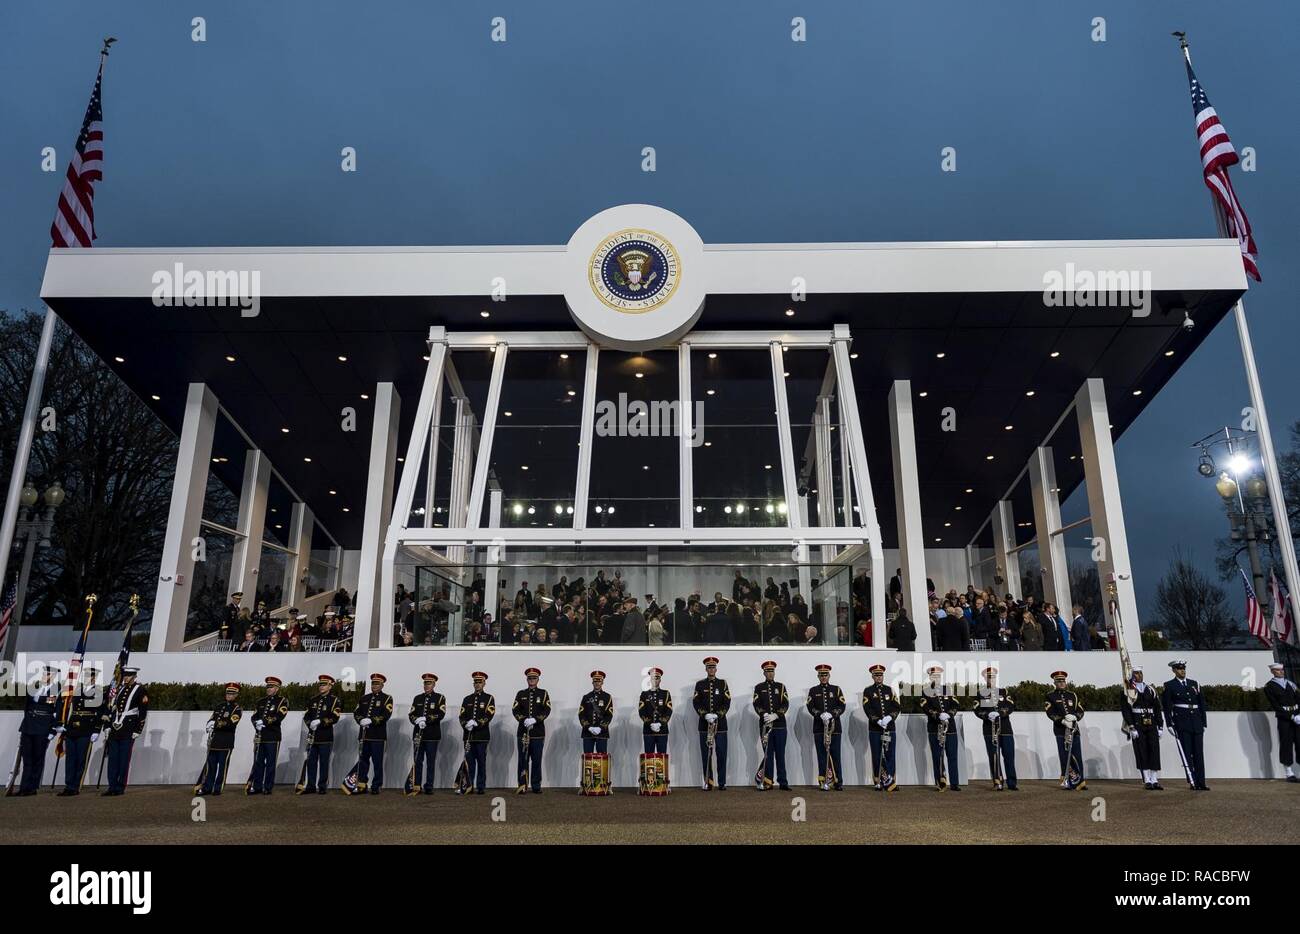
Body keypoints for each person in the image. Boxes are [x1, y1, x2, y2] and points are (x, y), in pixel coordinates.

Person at [1162, 659, 1209, 790]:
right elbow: (1167, 706)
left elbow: (1201, 704)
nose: (1182, 671)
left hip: (1196, 722)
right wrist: (1169, 724)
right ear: (1174, 670)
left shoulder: (1194, 684)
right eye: (1179, 669)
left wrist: (1204, 722)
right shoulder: (1169, 685)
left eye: (1183, 668)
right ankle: (1192, 781)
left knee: (1199, 754)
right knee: (1187, 753)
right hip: (1182, 723)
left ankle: (1202, 782)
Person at [11, 665, 58, 796]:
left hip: (42, 728)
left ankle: (32, 787)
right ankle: (24, 787)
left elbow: (54, 709)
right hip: (28, 727)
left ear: (53, 676)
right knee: (27, 759)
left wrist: (52, 731)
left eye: (47, 674)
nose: (44, 676)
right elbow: (27, 706)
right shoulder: (35, 688)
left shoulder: (55, 690)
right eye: (43, 674)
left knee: (38, 758)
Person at [102, 667, 147, 796]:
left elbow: (142, 711)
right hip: (115, 728)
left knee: (123, 760)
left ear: (134, 677)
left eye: (128, 676)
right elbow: (110, 708)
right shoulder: (118, 689)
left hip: (128, 728)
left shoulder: (140, 690)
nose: (125, 678)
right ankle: (111, 786)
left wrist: (138, 729)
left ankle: (119, 787)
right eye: (125, 676)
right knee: (113, 759)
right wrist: (107, 726)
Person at [58, 667, 103, 796]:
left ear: (94, 678)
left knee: (80, 759)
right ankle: (68, 785)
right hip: (72, 728)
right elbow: (69, 708)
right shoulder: (77, 690)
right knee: (70, 759)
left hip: (86, 728)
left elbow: (99, 712)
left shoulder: (98, 692)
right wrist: (64, 724)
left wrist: (96, 730)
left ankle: (75, 786)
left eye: (89, 676)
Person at [973, 666, 1017, 791]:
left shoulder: (1004, 692)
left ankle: (1012, 782)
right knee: (994, 756)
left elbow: (1011, 706)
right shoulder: (981, 694)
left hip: (1006, 729)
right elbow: (977, 710)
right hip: (989, 729)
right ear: (984, 678)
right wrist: (987, 715)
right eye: (988, 677)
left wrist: (1001, 713)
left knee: (1009, 755)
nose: (991, 679)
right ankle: (998, 781)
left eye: (993, 676)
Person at [1121, 665, 1164, 790]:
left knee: (1154, 749)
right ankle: (1147, 779)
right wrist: (1131, 726)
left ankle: (1154, 779)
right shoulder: (1128, 690)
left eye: (1140, 673)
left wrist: (1160, 726)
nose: (1139, 675)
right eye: (1136, 673)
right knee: (1142, 750)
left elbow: (1157, 708)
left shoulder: (1151, 689)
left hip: (1151, 722)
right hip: (1138, 722)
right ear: (1132, 676)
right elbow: (1126, 710)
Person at [919, 665, 961, 791]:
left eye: (938, 676)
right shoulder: (925, 691)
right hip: (935, 728)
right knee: (937, 756)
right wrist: (937, 715)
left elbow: (955, 703)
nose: (936, 678)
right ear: (930, 677)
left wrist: (950, 714)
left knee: (952, 755)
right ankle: (940, 782)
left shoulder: (947, 689)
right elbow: (924, 706)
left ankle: (954, 783)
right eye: (933, 676)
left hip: (950, 727)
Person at [806, 664, 846, 791]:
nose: (823, 677)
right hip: (819, 728)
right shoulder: (813, 690)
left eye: (825, 674)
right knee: (822, 756)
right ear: (818, 676)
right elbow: (810, 706)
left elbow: (842, 705)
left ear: (829, 675)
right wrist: (819, 714)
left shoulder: (836, 689)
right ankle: (824, 781)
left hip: (835, 729)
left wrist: (833, 714)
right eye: (821, 675)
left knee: (836, 756)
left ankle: (838, 781)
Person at [352, 673, 394, 794]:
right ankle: (361, 784)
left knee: (377, 762)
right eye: (373, 683)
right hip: (364, 735)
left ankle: (376, 785)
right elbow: (357, 712)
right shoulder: (364, 698)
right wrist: (360, 720)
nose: (374, 685)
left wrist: (371, 720)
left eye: (377, 684)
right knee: (363, 761)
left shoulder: (387, 698)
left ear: (382, 685)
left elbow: (386, 715)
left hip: (377, 736)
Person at [693, 656, 731, 790]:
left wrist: (717, 715)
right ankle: (708, 781)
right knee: (706, 754)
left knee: (721, 753)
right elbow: (696, 703)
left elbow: (727, 702)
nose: (711, 669)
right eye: (709, 667)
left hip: (720, 725)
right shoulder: (700, 685)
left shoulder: (723, 684)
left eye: (713, 667)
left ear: (716, 669)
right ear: (706, 669)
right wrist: (705, 715)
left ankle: (722, 782)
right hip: (704, 725)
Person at [198, 682, 242, 796]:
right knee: (211, 766)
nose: (228, 695)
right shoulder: (219, 706)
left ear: (236, 695)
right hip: (215, 741)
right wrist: (208, 724)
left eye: (231, 693)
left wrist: (215, 724)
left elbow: (231, 723)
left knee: (222, 767)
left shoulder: (237, 709)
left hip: (226, 742)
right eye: (227, 693)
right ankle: (207, 787)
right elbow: (212, 718)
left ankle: (217, 788)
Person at [511, 667, 550, 794]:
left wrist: (536, 720)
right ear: (526, 679)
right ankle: (522, 784)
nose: (531, 680)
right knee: (523, 759)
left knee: (537, 760)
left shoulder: (543, 693)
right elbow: (515, 710)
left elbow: (547, 710)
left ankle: (536, 785)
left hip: (538, 733)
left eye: (534, 678)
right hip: (523, 732)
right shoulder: (520, 694)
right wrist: (523, 720)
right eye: (529, 678)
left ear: (538, 679)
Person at [1045, 670, 1086, 790]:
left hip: (1074, 730)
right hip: (1060, 730)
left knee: (1077, 755)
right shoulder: (1050, 696)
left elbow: (1080, 710)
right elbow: (1050, 712)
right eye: (1059, 681)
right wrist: (1061, 720)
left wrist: (1075, 717)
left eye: (1063, 681)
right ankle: (1069, 780)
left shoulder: (1072, 695)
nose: (1062, 683)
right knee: (1064, 756)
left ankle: (1080, 781)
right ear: (1054, 683)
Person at [752, 661, 789, 791]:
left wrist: (777, 715)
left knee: (780, 754)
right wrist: (763, 714)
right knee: (768, 754)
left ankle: (783, 781)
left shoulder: (781, 686)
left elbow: (785, 703)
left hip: (780, 726)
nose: (770, 673)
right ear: (764, 673)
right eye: (767, 671)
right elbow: (756, 704)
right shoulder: (758, 687)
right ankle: (768, 781)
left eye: (772, 671)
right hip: (765, 726)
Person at [862, 664, 900, 792]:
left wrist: (890, 717)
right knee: (877, 754)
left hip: (889, 727)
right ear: (872, 676)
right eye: (876, 675)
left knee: (890, 754)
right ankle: (878, 781)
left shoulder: (890, 690)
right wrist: (877, 720)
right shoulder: (868, 691)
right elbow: (867, 708)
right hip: (875, 728)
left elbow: (896, 706)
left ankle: (890, 781)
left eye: (880, 675)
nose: (879, 677)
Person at [301, 674, 341, 795]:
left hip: (325, 736)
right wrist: (310, 724)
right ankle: (311, 785)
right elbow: (307, 715)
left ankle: (322, 785)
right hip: (313, 737)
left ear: (330, 686)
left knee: (324, 762)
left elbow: (335, 717)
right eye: (320, 684)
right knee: (311, 762)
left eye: (324, 684)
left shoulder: (335, 700)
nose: (321, 687)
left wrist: (321, 722)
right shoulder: (313, 699)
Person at [250, 676, 289, 795]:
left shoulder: (282, 701)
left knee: (271, 763)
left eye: (271, 686)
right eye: (267, 686)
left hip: (273, 736)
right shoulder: (260, 701)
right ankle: (257, 786)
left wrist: (265, 722)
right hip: (260, 736)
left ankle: (267, 787)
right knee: (259, 762)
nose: (268, 688)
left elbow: (279, 716)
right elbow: (254, 716)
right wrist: (256, 723)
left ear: (277, 688)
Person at [409, 673, 446, 795]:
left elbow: (440, 714)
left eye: (429, 683)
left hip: (432, 735)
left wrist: (426, 719)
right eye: (425, 683)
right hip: (418, 735)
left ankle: (429, 786)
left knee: (430, 761)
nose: (426, 685)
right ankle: (417, 785)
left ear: (434, 684)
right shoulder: (417, 698)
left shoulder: (440, 698)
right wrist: (416, 720)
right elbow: (411, 714)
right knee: (418, 761)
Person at [459, 672, 495, 795]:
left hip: (481, 736)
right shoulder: (467, 699)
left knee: (481, 762)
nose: (477, 684)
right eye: (476, 682)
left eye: (480, 682)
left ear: (484, 683)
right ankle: (469, 785)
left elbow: (489, 714)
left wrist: (477, 723)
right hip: (468, 736)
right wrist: (465, 724)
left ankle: (480, 786)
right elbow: (462, 716)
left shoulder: (489, 698)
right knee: (469, 762)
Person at [1264, 662, 1300, 782]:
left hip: (1297, 716)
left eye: (1282, 670)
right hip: (1284, 719)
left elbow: (1298, 699)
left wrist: (1298, 714)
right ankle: (1289, 773)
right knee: (1286, 744)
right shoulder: (1269, 686)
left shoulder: (1290, 684)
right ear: (1272, 672)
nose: (1281, 672)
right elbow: (1276, 705)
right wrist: (1291, 717)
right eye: (1278, 670)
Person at [579, 670, 613, 755]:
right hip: (587, 733)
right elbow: (581, 714)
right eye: (595, 681)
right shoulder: (586, 697)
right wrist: (588, 727)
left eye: (599, 681)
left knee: (602, 760)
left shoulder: (607, 697)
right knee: (587, 760)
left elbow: (609, 715)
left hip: (602, 732)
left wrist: (600, 727)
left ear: (602, 682)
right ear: (592, 682)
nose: (597, 683)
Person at [639, 667, 672, 753]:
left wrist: (660, 723)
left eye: (657, 678)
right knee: (649, 758)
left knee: (662, 758)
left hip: (662, 730)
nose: (655, 680)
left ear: (660, 679)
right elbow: (641, 711)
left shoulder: (666, 694)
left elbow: (669, 710)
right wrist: (650, 723)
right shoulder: (644, 694)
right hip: (648, 730)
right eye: (653, 678)